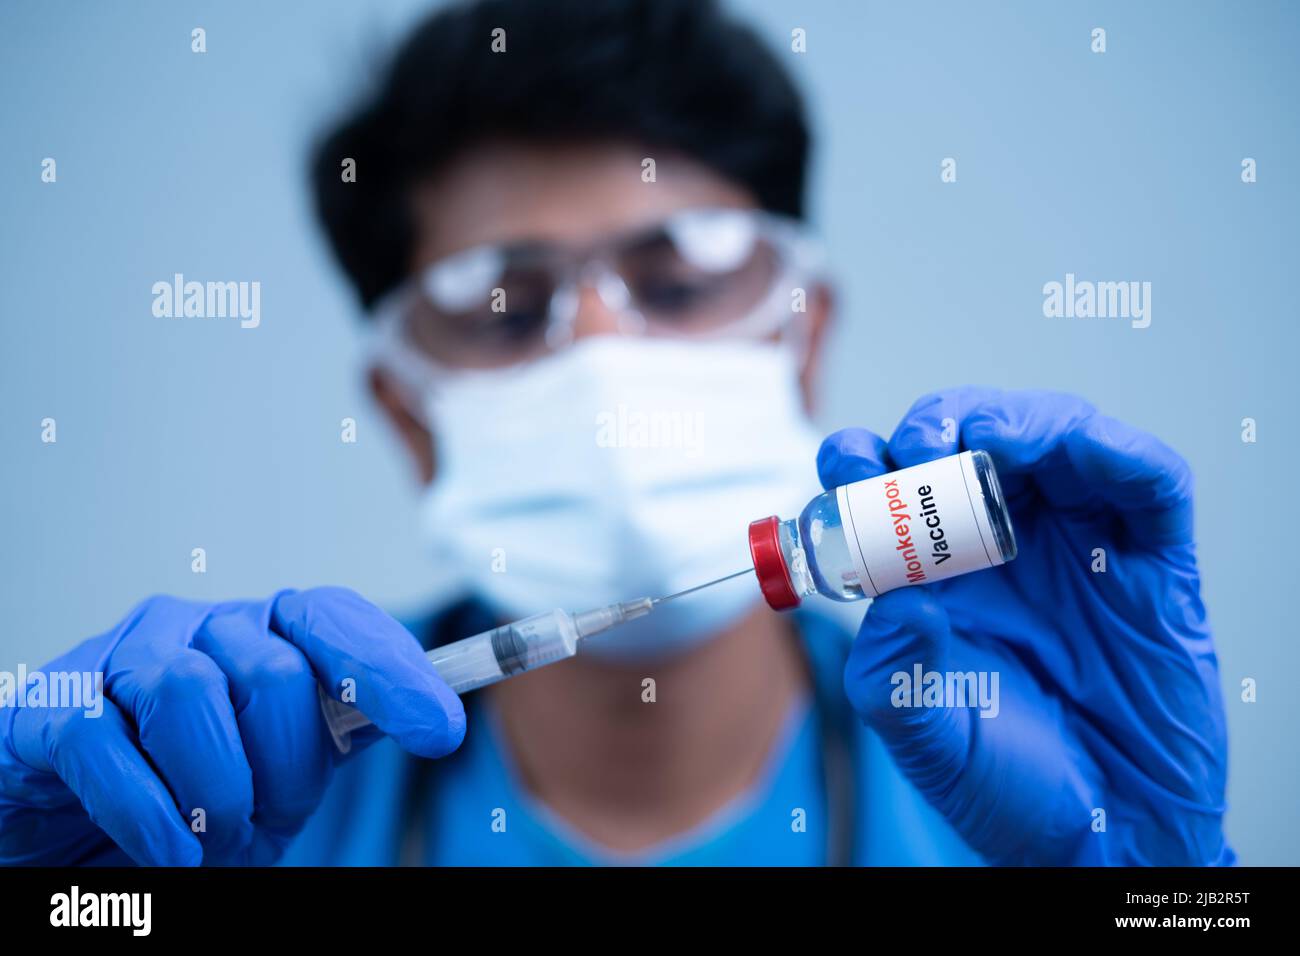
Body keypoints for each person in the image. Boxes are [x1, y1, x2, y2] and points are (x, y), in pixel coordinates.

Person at [0, 0, 1232, 867]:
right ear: (407, 410)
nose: (603, 356)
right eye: (506, 303)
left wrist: (1163, 899)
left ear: (800, 338)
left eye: (682, 275)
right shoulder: (228, 801)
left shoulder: (1010, 775)